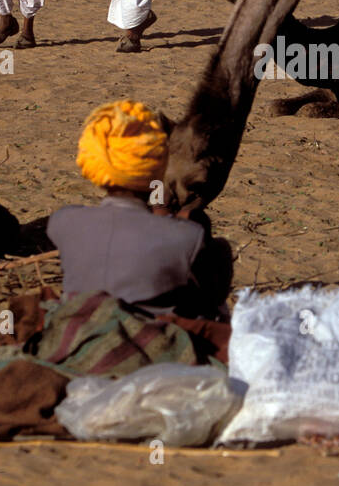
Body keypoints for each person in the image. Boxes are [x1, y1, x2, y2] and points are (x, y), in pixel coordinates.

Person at [47, 100, 232, 321]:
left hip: (75, 336)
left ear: (93, 165)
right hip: (155, 345)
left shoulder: (62, 222)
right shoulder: (187, 237)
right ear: (159, 165)